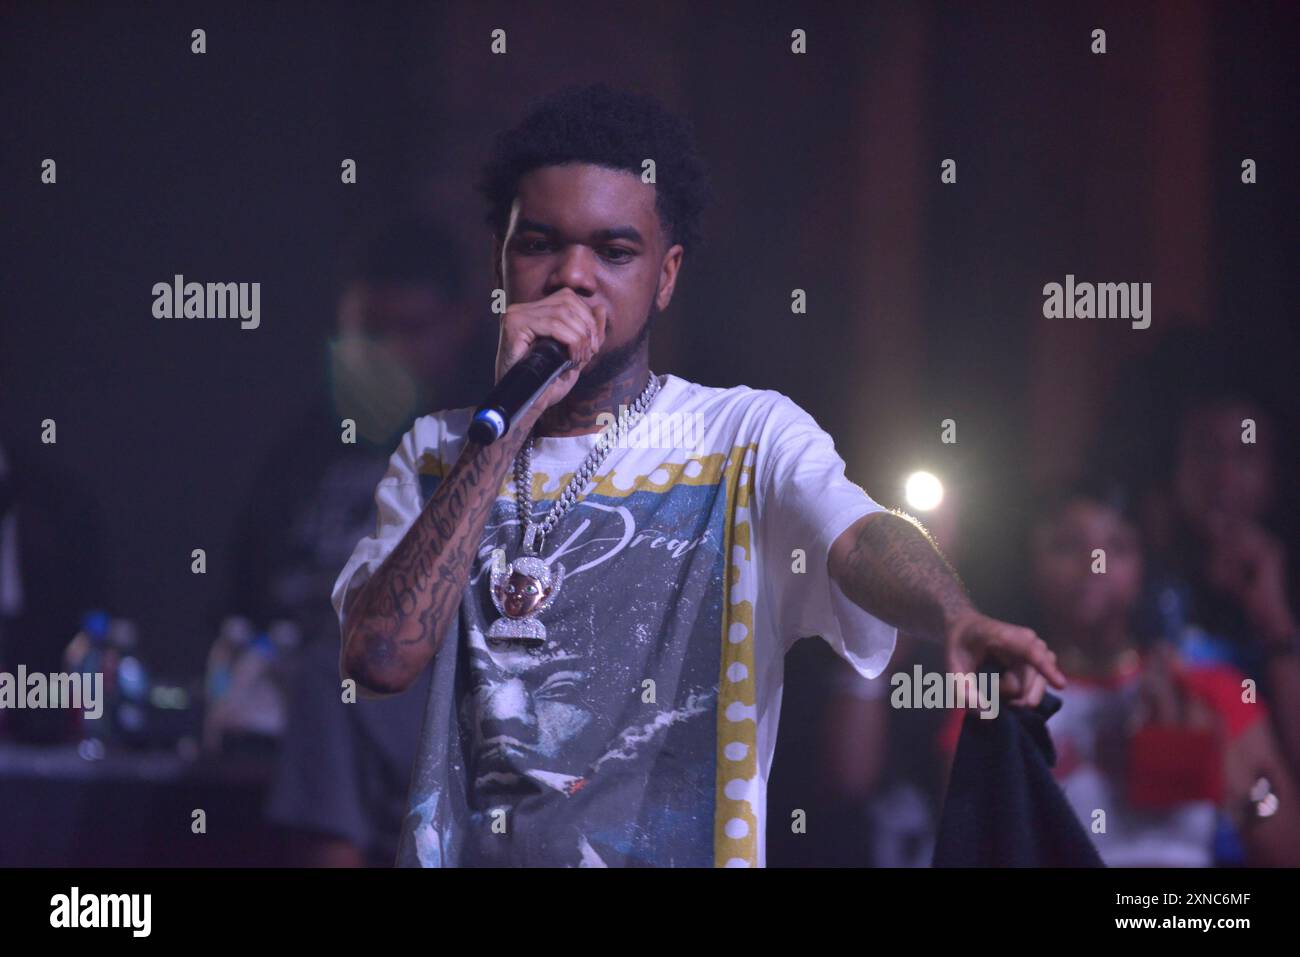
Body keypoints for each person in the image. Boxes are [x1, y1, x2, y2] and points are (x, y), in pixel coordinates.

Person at [332, 83, 1064, 867]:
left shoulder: (741, 435)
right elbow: (380, 659)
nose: (571, 277)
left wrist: (953, 614)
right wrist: (501, 433)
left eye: (614, 252)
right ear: (500, 258)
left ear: (667, 275)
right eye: (540, 243)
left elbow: (859, 536)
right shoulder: (441, 451)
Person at [252, 217, 489, 865]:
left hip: (415, 695)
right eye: (366, 330)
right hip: (279, 698)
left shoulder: (478, 442)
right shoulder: (306, 449)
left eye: (408, 330)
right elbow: (242, 593)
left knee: (340, 680)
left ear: (461, 322)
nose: (383, 351)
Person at [1017, 480, 1300, 866]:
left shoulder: (1206, 689)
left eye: (1117, 546)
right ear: (1030, 565)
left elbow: (1288, 852)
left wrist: (1233, 780)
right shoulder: (1005, 701)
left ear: (1144, 568)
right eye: (1068, 544)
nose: (1093, 562)